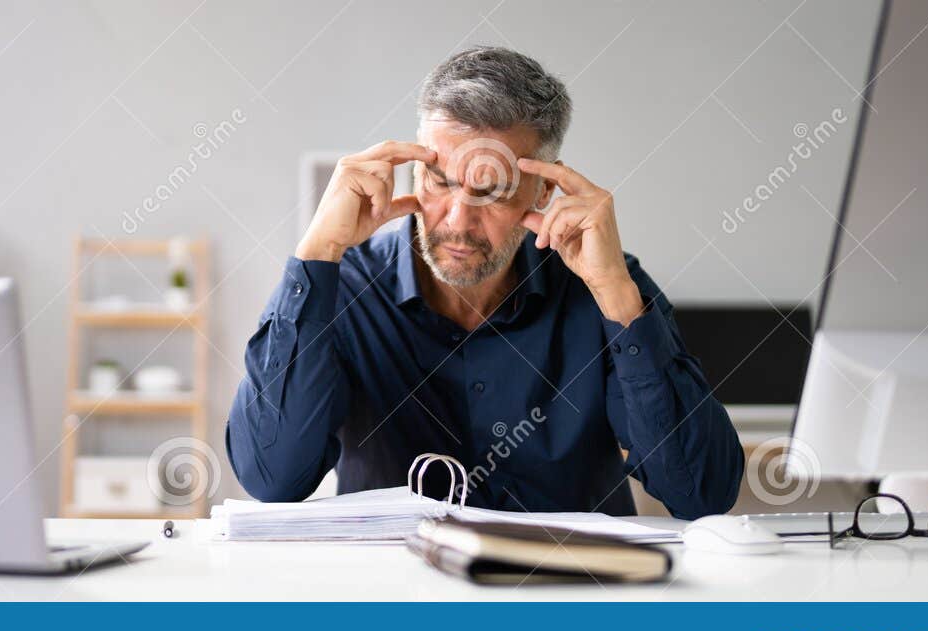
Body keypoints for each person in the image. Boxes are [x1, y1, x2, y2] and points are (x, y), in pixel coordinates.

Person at [225, 46, 743, 519]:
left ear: (545, 190)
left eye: (492, 193)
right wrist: (317, 252)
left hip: (571, 585)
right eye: (439, 181)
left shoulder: (606, 287)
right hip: (393, 586)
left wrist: (616, 295)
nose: (457, 222)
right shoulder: (345, 288)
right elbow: (273, 478)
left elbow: (702, 493)